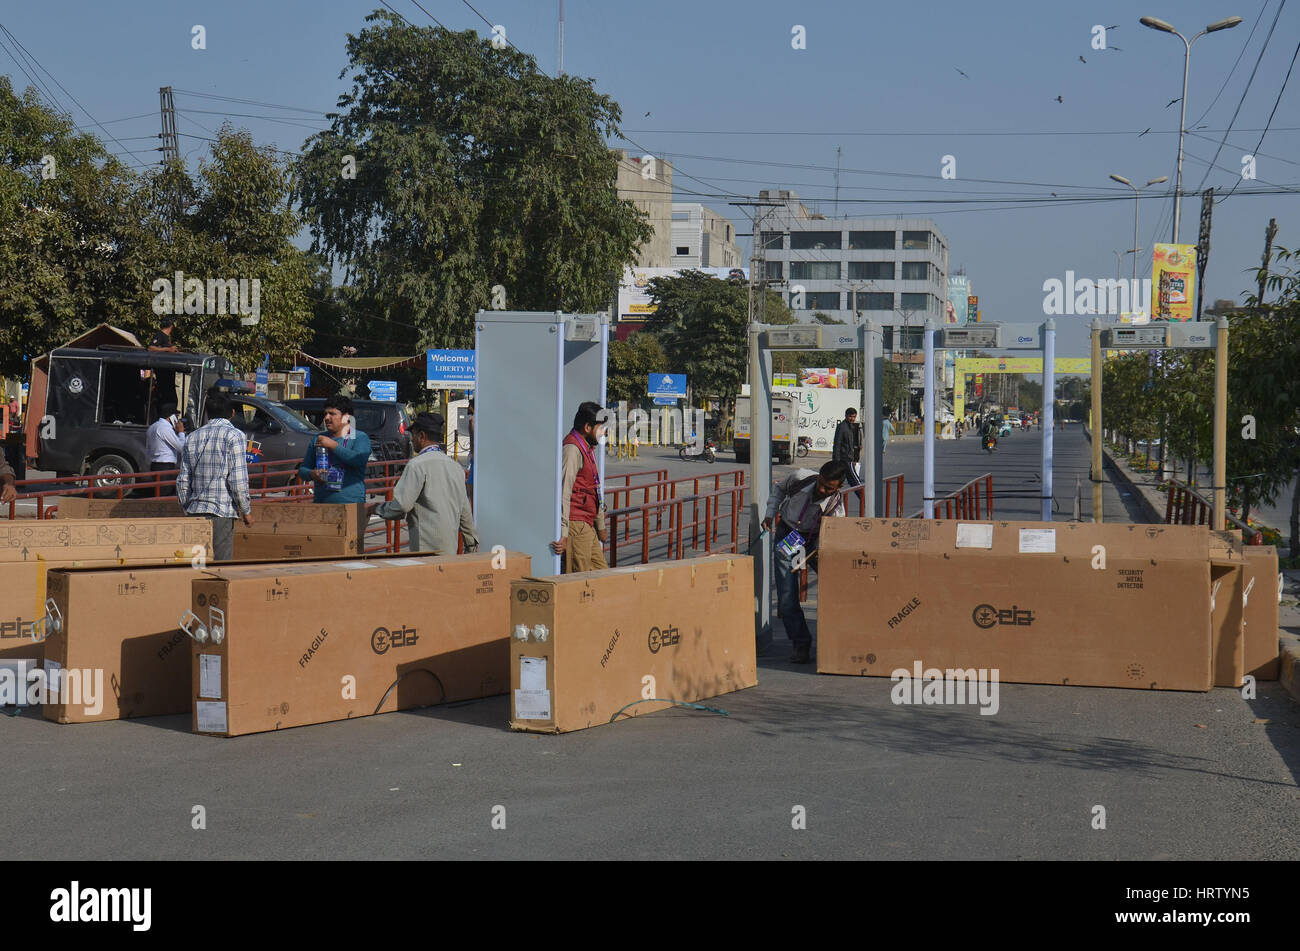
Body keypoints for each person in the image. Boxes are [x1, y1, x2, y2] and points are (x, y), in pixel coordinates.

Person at [761, 460, 848, 664]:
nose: (822, 489)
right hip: (791, 533)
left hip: (816, 539)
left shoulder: (836, 509)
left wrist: (821, 549)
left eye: (829, 488)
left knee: (838, 587)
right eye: (821, 483)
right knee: (787, 594)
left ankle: (839, 641)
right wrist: (770, 513)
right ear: (818, 476)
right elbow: (779, 489)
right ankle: (800, 644)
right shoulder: (800, 477)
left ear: (838, 488)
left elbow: (835, 535)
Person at [368, 412, 478, 555]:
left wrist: (376, 509)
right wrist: (471, 543)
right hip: (449, 549)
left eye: (413, 435)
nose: (412, 440)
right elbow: (464, 511)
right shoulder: (455, 467)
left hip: (425, 550)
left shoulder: (416, 465)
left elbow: (402, 505)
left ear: (421, 436)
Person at [177, 391, 254, 561]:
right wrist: (246, 511)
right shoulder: (235, 436)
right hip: (222, 513)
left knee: (197, 565)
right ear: (232, 413)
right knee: (220, 567)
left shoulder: (192, 437)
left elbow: (183, 480)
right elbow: (237, 481)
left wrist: (187, 508)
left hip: (195, 511)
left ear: (207, 412)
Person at [549, 401, 608, 572]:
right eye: (600, 428)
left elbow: (592, 488)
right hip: (576, 525)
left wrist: (600, 525)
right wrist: (564, 533)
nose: (603, 433)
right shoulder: (572, 450)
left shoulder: (587, 448)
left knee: (602, 576)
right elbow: (563, 492)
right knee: (580, 583)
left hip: (587, 523)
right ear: (588, 427)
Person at [299, 394, 372, 504]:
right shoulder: (318, 439)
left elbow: (357, 460)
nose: (327, 418)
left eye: (332, 414)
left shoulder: (360, 437)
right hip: (321, 503)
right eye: (326, 414)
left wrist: (333, 446)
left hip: (351, 504)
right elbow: (303, 469)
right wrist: (312, 474)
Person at [145, 402, 186, 495]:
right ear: (171, 417)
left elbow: (147, 448)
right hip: (165, 466)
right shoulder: (165, 428)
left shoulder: (152, 426)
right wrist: (181, 433)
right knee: (165, 494)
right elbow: (181, 448)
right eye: (176, 416)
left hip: (154, 464)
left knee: (158, 493)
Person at [832, 408, 863, 487]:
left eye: (854, 417)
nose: (852, 419)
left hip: (849, 458)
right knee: (855, 481)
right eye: (850, 416)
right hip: (844, 459)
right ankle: (864, 497)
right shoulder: (842, 427)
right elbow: (837, 444)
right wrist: (836, 460)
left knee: (844, 481)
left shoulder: (851, 426)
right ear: (846, 416)